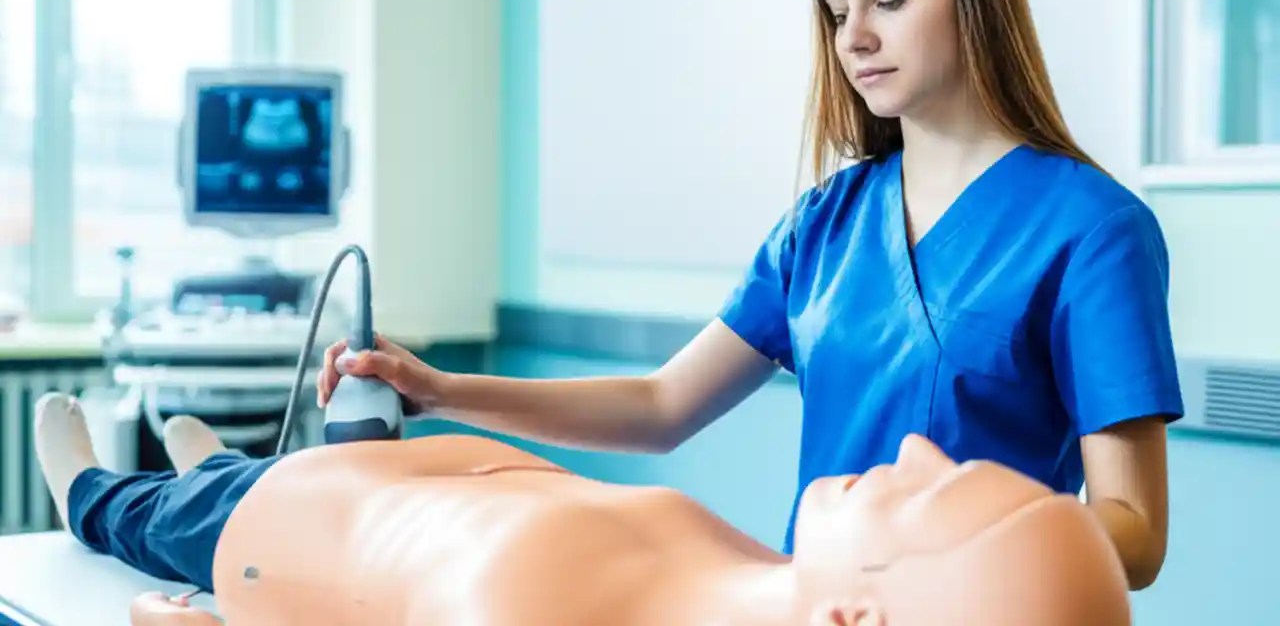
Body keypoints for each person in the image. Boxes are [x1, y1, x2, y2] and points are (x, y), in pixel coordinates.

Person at [319, 0, 1183, 592]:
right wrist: (437, 390)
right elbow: (662, 407)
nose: (855, 39)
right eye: (838, 12)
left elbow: (1135, 533)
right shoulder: (826, 223)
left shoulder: (1091, 231)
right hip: (812, 603)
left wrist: (950, 541)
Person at [32, 393, 1131, 625]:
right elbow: (658, 404)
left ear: (857, 622)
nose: (913, 447)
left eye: (928, 492)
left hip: (289, 541)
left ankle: (89, 486)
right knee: (220, 473)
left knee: (156, 511)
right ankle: (210, 455)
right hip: (428, 476)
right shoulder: (771, 584)